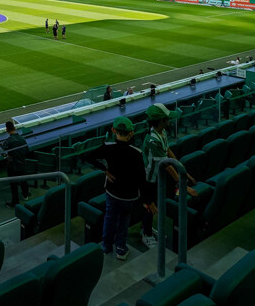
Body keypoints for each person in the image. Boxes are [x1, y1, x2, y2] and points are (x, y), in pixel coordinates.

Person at [82, 117, 148, 261]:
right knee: (124, 220)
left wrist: (104, 169)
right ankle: (120, 248)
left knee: (110, 217)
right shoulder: (137, 153)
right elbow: (142, 179)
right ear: (131, 133)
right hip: (129, 195)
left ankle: (106, 246)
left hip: (112, 191)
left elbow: (87, 156)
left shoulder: (108, 147)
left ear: (113, 130)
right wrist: (147, 200)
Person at [139, 103, 195, 248]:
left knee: (152, 204)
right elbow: (167, 165)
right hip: (147, 178)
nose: (170, 120)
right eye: (167, 118)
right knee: (148, 205)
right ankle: (146, 234)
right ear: (161, 121)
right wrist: (183, 183)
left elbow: (168, 152)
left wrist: (182, 169)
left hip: (156, 176)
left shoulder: (161, 133)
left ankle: (146, 228)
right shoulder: (152, 140)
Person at [1, 120, 30, 207]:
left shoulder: (8, 141)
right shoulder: (22, 139)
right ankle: (25, 195)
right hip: (21, 164)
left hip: (12, 165)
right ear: (14, 128)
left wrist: (6, 156)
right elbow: (27, 150)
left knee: (13, 184)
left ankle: (15, 201)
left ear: (7, 130)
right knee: (23, 181)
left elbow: (2, 151)